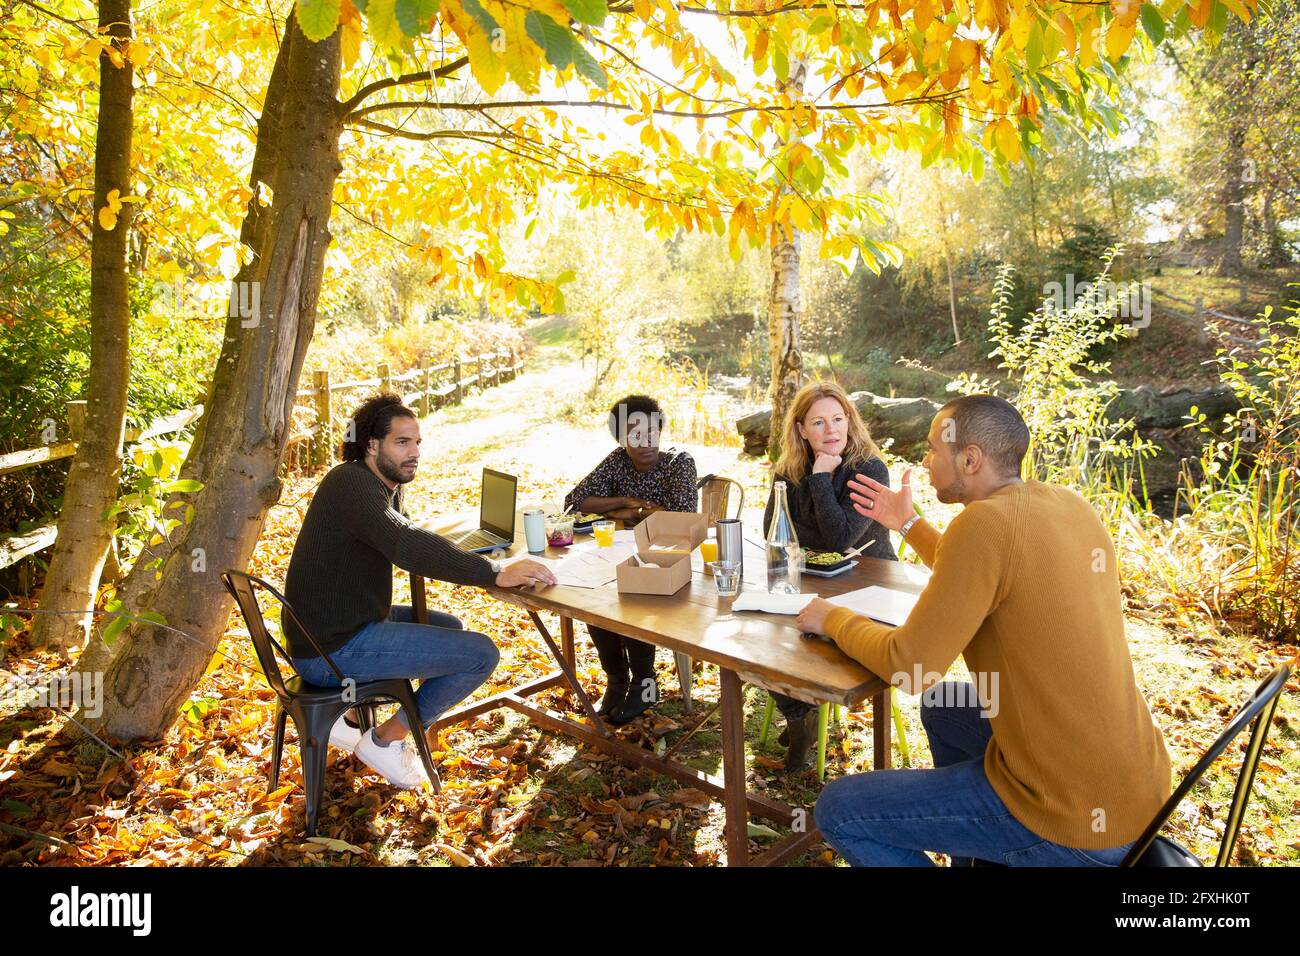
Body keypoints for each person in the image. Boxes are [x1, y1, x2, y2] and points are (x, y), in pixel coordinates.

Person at [796, 394, 1171, 866]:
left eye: (934, 449)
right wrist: (907, 523)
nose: (927, 460)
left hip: (1070, 821)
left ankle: (1010, 840)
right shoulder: (1067, 503)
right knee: (944, 706)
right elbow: (983, 567)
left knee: (841, 809)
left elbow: (910, 669)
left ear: (969, 459)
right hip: (1139, 793)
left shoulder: (983, 526)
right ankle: (981, 853)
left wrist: (833, 618)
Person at [284, 394, 556, 789]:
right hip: (330, 651)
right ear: (371, 445)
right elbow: (405, 545)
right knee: (480, 654)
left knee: (450, 626)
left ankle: (350, 720)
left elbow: (401, 538)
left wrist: (476, 563)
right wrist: (493, 572)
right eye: (402, 442)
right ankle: (384, 740)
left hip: (336, 627)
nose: (414, 453)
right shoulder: (351, 483)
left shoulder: (378, 482)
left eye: (417, 443)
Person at [761, 381, 898, 771]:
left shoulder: (869, 468)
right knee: (759, 628)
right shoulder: (788, 469)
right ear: (802, 429)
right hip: (807, 581)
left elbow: (840, 538)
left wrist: (822, 477)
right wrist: (817, 528)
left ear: (850, 421)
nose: (831, 430)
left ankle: (800, 709)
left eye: (838, 419)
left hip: (867, 587)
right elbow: (773, 529)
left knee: (811, 634)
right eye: (819, 423)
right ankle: (799, 712)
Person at [563, 394, 697, 724]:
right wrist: (628, 502)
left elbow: (681, 516)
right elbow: (574, 501)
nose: (645, 441)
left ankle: (644, 684)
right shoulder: (617, 461)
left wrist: (627, 512)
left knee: (629, 592)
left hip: (669, 562)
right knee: (594, 594)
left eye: (652, 431)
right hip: (621, 553)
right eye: (634, 433)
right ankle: (617, 679)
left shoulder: (678, 462)